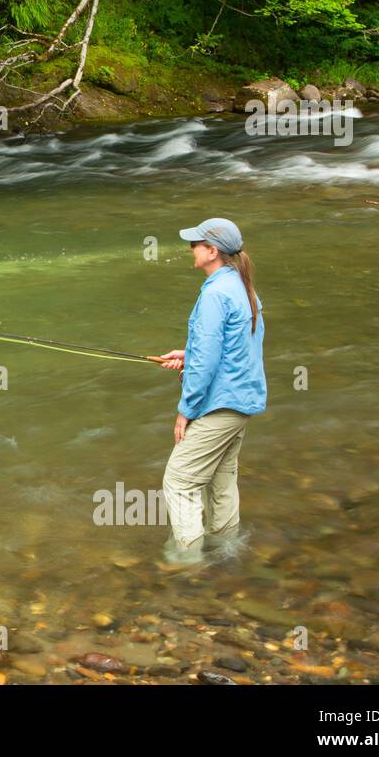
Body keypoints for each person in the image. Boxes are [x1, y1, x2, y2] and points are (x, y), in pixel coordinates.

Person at [155, 218, 266, 564]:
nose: (191, 249)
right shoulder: (241, 286)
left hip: (219, 404)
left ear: (212, 251)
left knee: (180, 480)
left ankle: (187, 563)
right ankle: (226, 550)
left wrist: (186, 409)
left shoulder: (215, 295)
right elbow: (235, 346)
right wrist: (190, 354)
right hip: (242, 403)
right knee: (222, 477)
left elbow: (206, 365)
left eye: (196, 244)